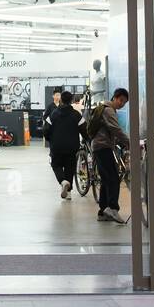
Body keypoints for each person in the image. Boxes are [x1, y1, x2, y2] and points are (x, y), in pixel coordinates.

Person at [85, 87, 130, 224]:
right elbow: (115, 129)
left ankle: (102, 212)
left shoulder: (105, 108)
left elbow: (108, 131)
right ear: (115, 98)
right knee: (114, 178)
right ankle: (113, 208)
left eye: (124, 102)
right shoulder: (108, 110)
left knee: (106, 179)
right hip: (102, 147)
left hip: (99, 146)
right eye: (121, 100)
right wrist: (129, 142)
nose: (122, 104)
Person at [46, 93, 82, 199]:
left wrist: (50, 139)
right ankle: (69, 193)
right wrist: (87, 139)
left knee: (56, 165)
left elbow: (45, 129)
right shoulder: (77, 114)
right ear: (71, 101)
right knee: (69, 168)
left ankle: (63, 182)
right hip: (72, 146)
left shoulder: (53, 114)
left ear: (61, 100)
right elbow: (84, 128)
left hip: (56, 146)